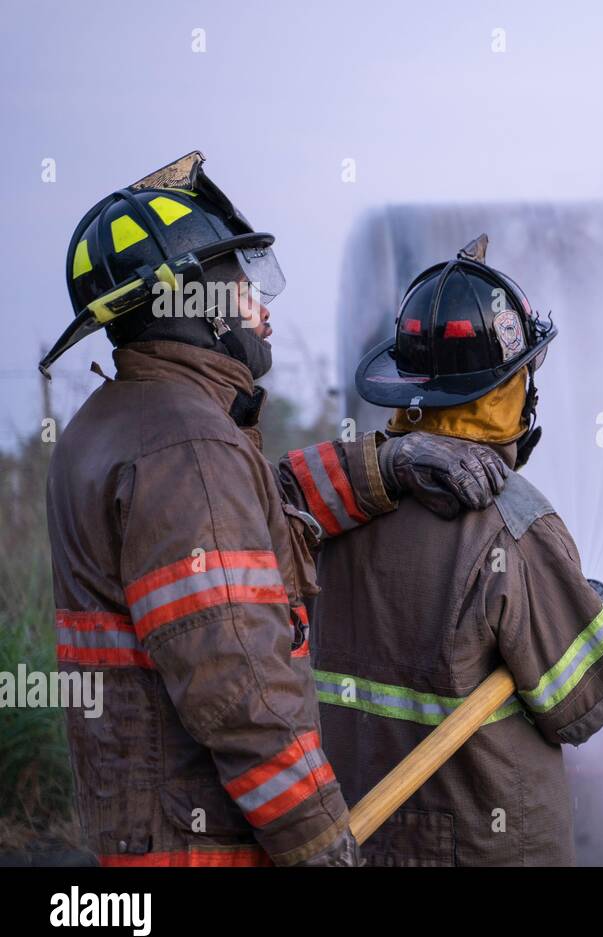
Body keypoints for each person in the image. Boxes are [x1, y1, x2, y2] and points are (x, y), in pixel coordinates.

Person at [42, 152, 507, 866]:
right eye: (239, 285)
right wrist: (317, 836)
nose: (261, 308)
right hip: (205, 846)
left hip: (149, 827)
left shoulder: (126, 423)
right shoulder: (186, 447)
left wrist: (390, 463)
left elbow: (262, 504)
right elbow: (237, 683)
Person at [313, 234, 603, 865]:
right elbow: (582, 704)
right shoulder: (513, 522)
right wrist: (582, 615)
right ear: (509, 391)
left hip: (366, 835)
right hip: (488, 846)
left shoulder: (345, 505)